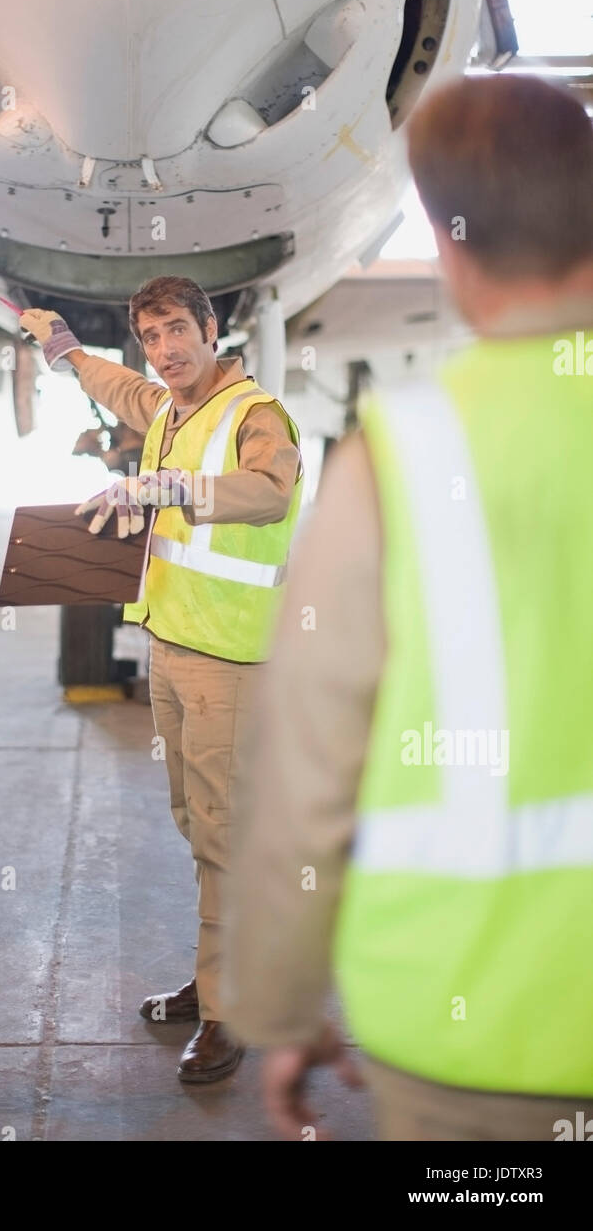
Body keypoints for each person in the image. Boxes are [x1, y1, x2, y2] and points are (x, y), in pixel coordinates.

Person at [223, 75, 593, 1139]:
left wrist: (279, 1007)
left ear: (448, 242)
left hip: (460, 1040)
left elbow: (305, 773)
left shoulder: (399, 457)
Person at [19, 276, 303, 1082]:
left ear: (212, 329)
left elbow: (270, 492)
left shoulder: (254, 415)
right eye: (151, 335)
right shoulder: (172, 408)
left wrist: (174, 487)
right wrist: (68, 350)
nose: (166, 350)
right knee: (196, 823)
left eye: (179, 329)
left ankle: (230, 1005)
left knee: (221, 834)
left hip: (228, 658)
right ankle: (218, 977)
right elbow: (123, 388)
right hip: (173, 647)